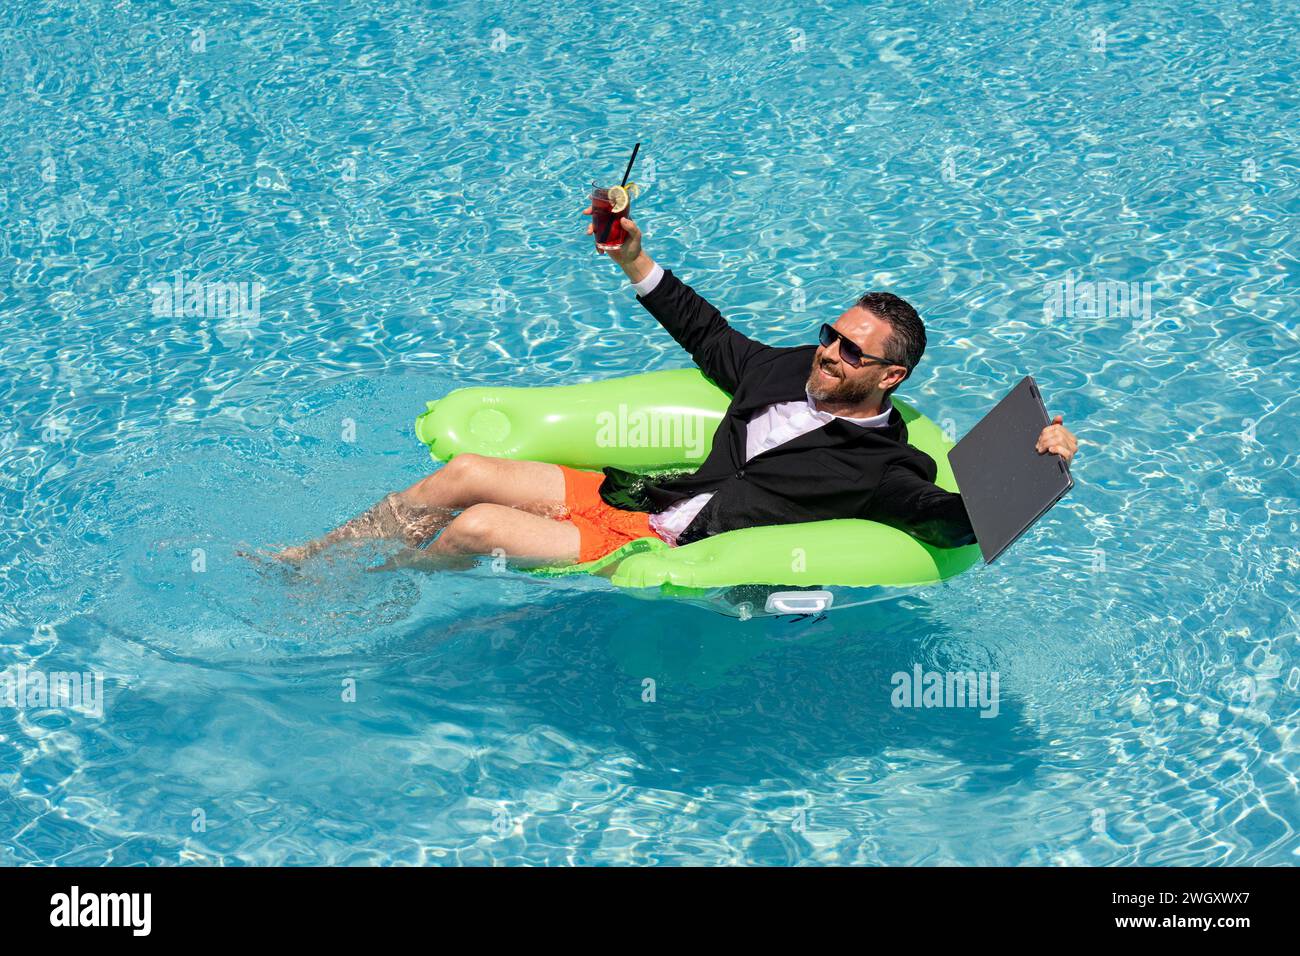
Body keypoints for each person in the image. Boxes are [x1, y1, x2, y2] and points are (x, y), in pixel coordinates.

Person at [275, 207, 1078, 567]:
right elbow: (704, 329)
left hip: (661, 543)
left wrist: (1041, 466)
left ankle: (380, 587)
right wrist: (631, 255)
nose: (828, 351)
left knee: (479, 524)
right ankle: (312, 556)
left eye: (849, 351)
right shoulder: (780, 369)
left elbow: (949, 524)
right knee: (466, 474)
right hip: (636, 496)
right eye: (831, 333)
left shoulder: (883, 467)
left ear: (889, 377)